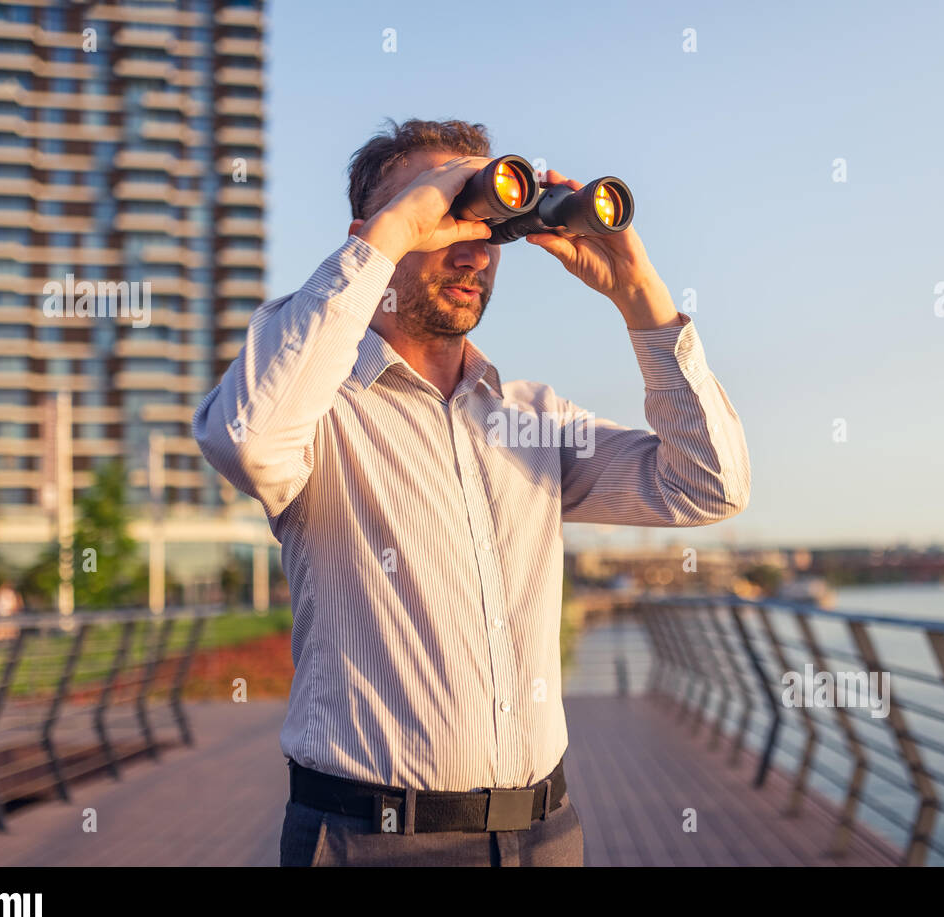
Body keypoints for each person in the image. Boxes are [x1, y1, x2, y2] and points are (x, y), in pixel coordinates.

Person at [193, 119, 751, 866]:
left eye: (487, 225)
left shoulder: (532, 420)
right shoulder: (315, 407)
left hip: (544, 833)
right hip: (370, 840)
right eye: (441, 216)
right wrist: (390, 238)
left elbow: (708, 486)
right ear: (375, 234)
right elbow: (245, 440)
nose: (469, 247)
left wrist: (639, 294)